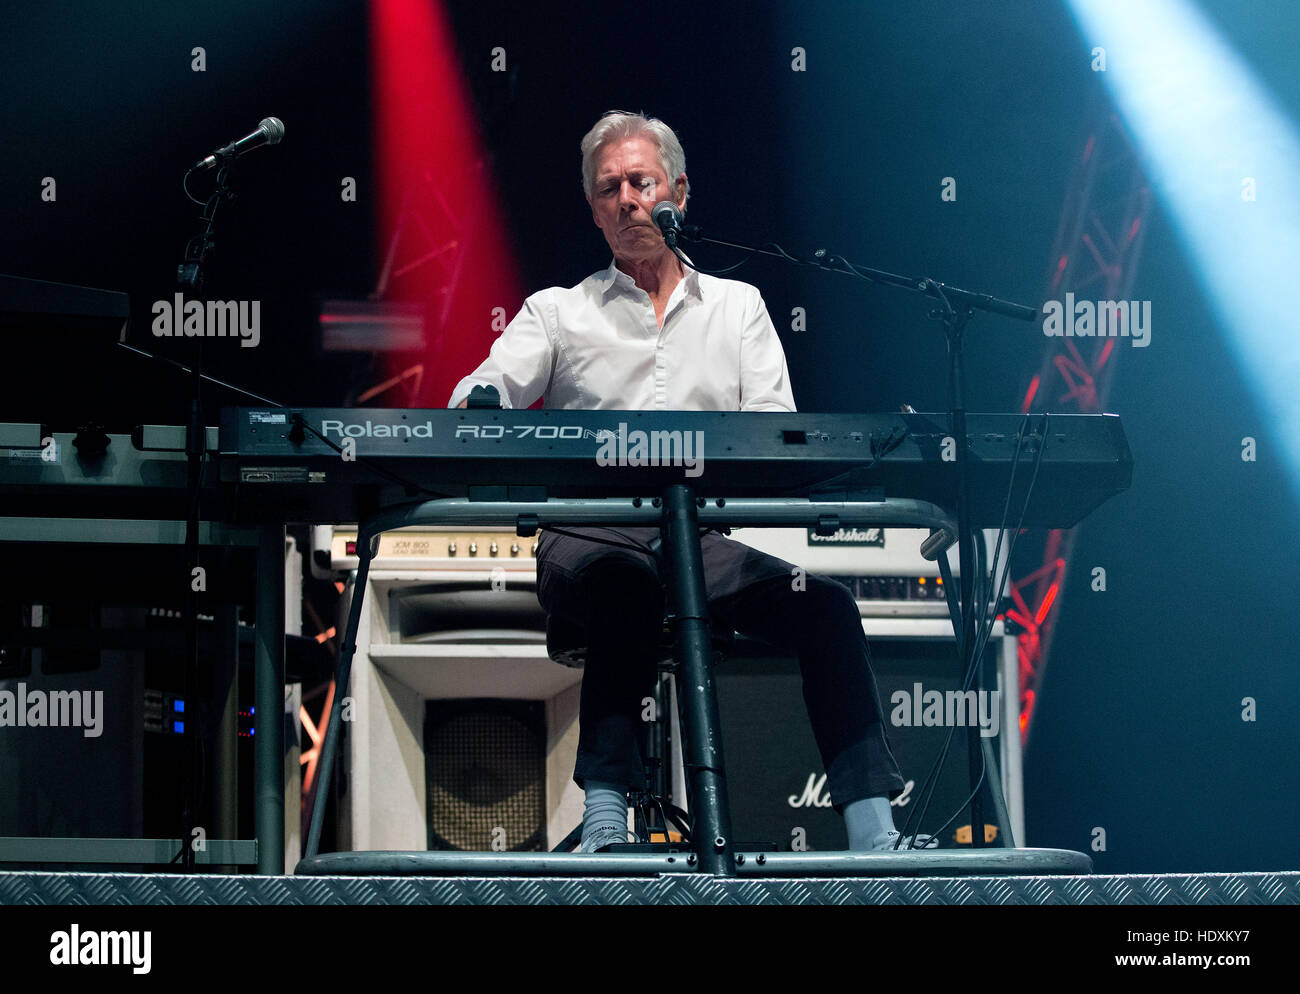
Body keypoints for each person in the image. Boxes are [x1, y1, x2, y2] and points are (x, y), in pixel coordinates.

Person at [450, 110, 930, 853]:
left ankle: (873, 832)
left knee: (826, 608)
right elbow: (475, 400)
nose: (627, 200)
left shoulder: (739, 308)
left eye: (641, 181)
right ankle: (607, 818)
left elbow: (778, 434)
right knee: (624, 583)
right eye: (608, 189)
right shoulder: (558, 311)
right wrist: (486, 405)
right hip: (587, 539)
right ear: (593, 210)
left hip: (699, 546)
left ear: (679, 191)